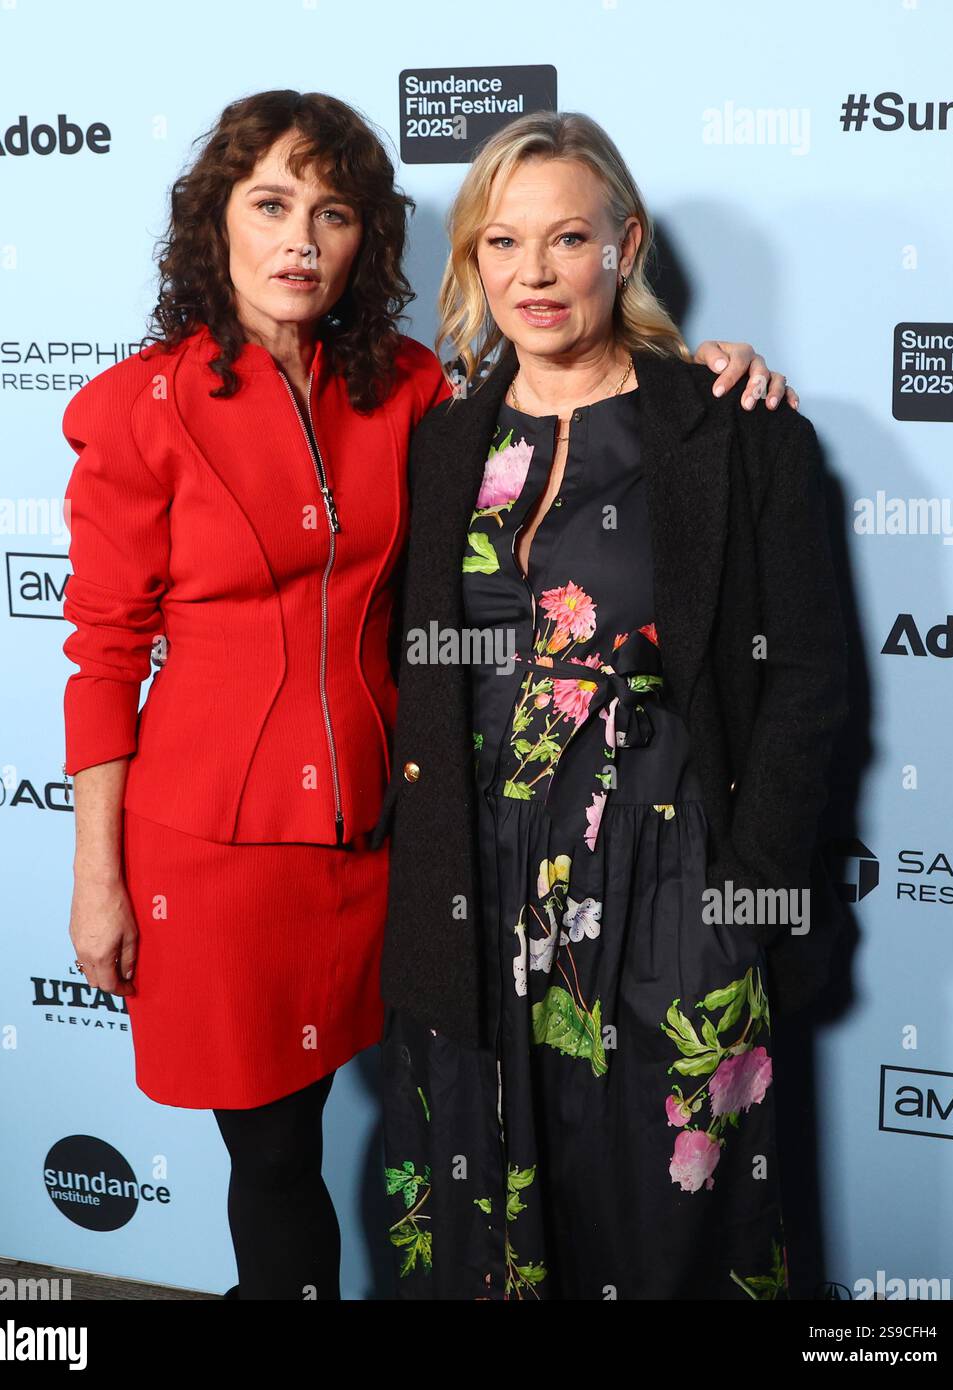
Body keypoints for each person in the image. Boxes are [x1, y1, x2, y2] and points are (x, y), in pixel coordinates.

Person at [62, 88, 792, 1301]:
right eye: (270, 205)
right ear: (217, 226)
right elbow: (100, 653)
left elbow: (584, 397)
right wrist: (97, 880)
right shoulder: (143, 408)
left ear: (365, 241)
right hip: (219, 848)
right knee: (277, 1151)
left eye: (332, 211)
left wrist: (718, 366)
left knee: (466, 1113)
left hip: (392, 843)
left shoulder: (409, 390)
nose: (300, 239)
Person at [374, 111, 848, 1300]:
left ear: (621, 246)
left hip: (671, 880)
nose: (532, 273)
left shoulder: (736, 431)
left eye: (566, 237)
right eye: (501, 242)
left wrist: (742, 890)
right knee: (492, 1209)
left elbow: (806, 682)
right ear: (474, 261)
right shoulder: (442, 445)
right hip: (474, 887)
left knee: (669, 1219)